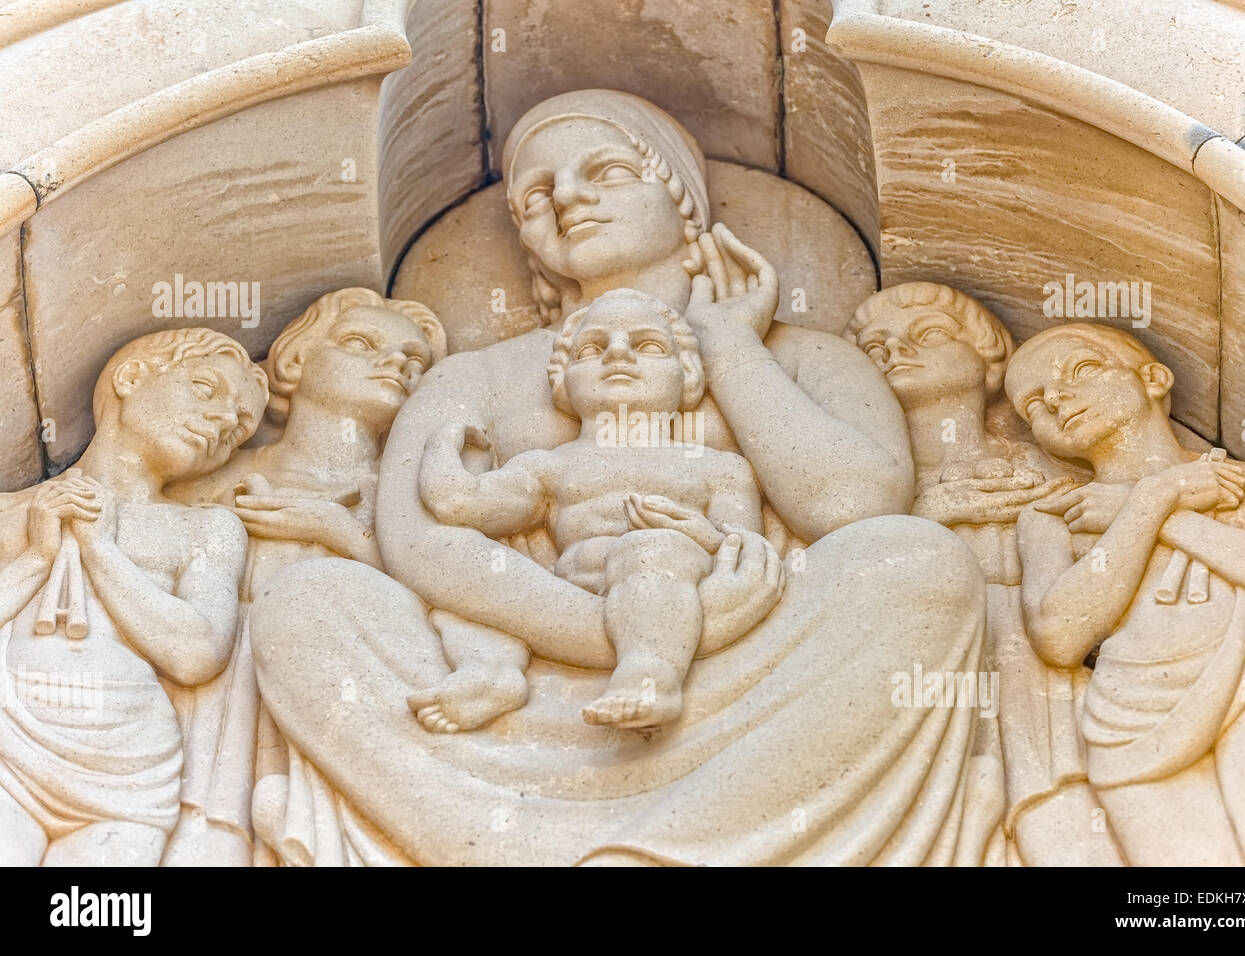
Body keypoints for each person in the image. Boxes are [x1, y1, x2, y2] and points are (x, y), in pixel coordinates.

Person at [250, 90, 989, 866]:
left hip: (757, 686)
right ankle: (504, 845)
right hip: (518, 694)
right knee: (308, 605)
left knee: (917, 563)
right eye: (534, 196)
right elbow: (420, 538)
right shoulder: (479, 376)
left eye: (604, 170)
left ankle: (678, 843)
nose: (566, 196)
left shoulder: (805, 357)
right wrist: (622, 635)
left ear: (682, 199)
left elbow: (854, 504)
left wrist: (728, 345)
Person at [164, 288, 444, 866]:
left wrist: (336, 530)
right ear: (294, 361)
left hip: (348, 708)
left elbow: (446, 608)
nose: (395, 363)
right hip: (214, 700)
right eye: (361, 343)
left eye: (414, 362)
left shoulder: (410, 499)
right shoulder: (217, 477)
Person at [849, 283, 1122, 866]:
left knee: (1050, 802)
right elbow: (833, 578)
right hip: (915, 659)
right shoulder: (865, 482)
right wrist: (928, 517)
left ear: (990, 354)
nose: (896, 351)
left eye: (927, 334)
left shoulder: (1049, 455)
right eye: (874, 349)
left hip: (1032, 651)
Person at [1007, 323, 1245, 865]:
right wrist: (1153, 498)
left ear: (1153, 378)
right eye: (1034, 407)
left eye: (1081, 370)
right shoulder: (1052, 519)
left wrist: (1166, 520)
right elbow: (1059, 637)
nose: (1057, 400)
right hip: (1132, 723)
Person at [416, 288, 763, 730]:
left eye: (648, 346)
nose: (617, 355)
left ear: (687, 372)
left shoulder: (719, 468)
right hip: (570, 601)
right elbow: (462, 504)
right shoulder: (550, 466)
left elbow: (746, 555)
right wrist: (443, 443)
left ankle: (650, 673)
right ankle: (491, 671)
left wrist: (697, 532)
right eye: (593, 348)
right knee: (469, 587)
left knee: (652, 548)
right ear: (564, 378)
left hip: (666, 586)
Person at [0, 329, 267, 865]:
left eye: (240, 428)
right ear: (131, 378)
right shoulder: (13, 511)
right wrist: (35, 555)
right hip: (11, 740)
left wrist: (100, 550)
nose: (223, 424)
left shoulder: (206, 531)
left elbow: (196, 653)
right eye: (204, 388)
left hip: (129, 762)